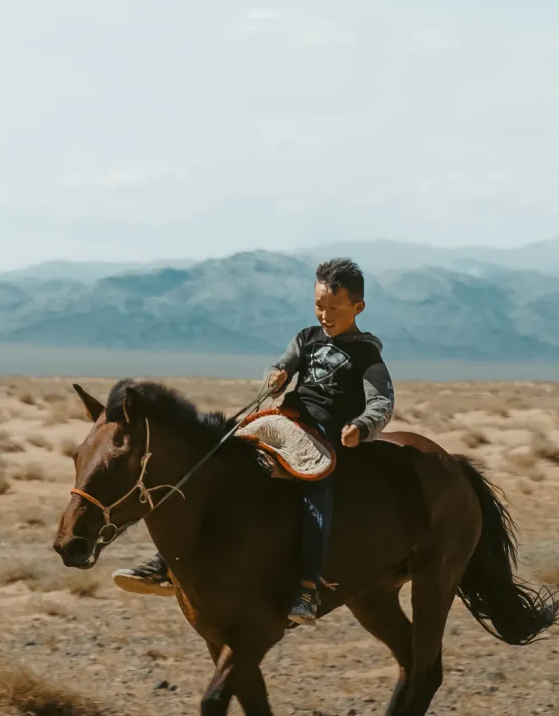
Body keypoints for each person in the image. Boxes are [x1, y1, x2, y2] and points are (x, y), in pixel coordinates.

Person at [113, 256, 395, 625]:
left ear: (358, 307)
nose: (324, 315)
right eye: (319, 306)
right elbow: (282, 367)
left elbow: (382, 401)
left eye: (334, 308)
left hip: (327, 437)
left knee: (317, 495)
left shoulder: (366, 354)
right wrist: (276, 377)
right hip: (284, 422)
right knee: (215, 463)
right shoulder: (305, 339)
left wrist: (362, 426)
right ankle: (169, 563)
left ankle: (308, 588)